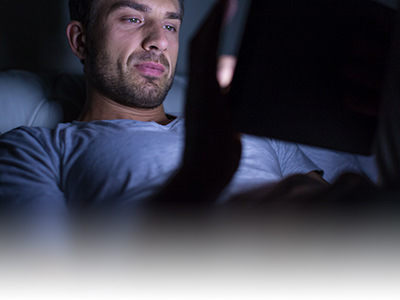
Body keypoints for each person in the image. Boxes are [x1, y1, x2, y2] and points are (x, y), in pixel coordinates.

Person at [0, 0, 323, 226]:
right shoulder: (33, 148)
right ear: (81, 40)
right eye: (132, 18)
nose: (159, 41)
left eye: (170, 25)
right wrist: (199, 180)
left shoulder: (241, 123)